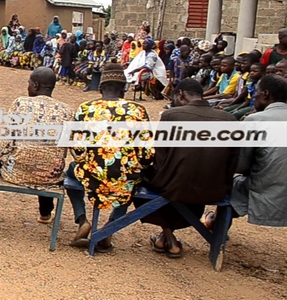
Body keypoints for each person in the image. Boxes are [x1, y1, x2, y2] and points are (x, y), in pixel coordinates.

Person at [136, 79, 237, 258]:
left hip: (174, 187)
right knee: (181, 182)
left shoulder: (171, 116)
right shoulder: (229, 118)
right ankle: (166, 237)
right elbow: (232, 161)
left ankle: (167, 236)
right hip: (212, 190)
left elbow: (160, 158)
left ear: (180, 94)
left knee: (147, 179)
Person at [68, 63, 154, 250]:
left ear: (100, 88)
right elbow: (147, 153)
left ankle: (83, 220)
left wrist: (92, 164)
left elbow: (77, 150)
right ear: (123, 89)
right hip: (124, 177)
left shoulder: (85, 108)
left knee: (70, 173)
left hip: (91, 176)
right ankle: (109, 228)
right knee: (136, 180)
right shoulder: (137, 111)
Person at [0, 67, 74, 223]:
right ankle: (45, 213)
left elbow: (7, 142)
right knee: (44, 159)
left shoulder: (20, 103)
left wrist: (3, 156)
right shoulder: (68, 111)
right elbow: (65, 148)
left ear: (36, 85)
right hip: (50, 176)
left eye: (29, 83)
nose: (28, 86)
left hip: (16, 173)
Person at [212, 75, 287, 228]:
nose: (254, 96)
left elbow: (241, 165)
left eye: (256, 92)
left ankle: (218, 226)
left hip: (269, 188)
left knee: (231, 183)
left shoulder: (257, 120)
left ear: (265, 94)